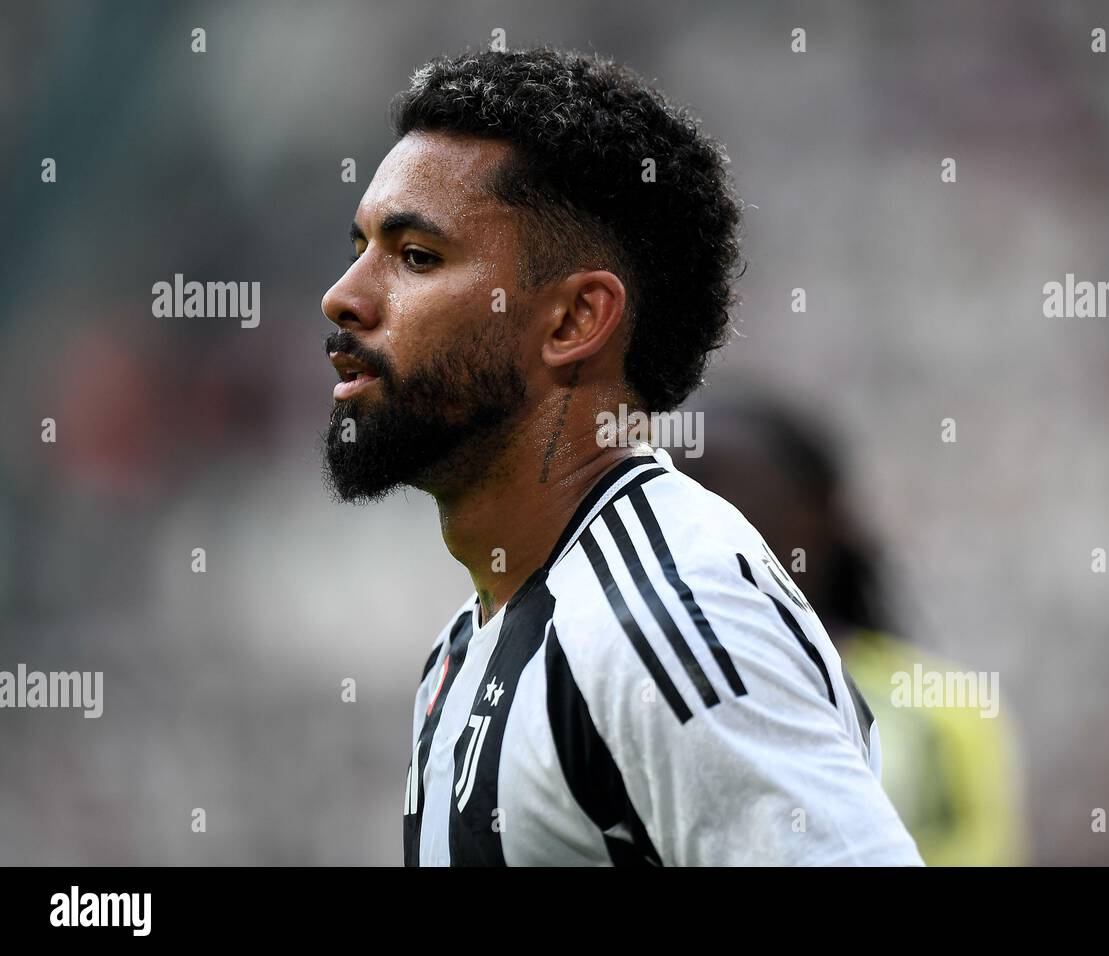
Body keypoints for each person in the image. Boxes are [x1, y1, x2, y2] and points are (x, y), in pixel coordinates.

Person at [320, 47, 920, 866]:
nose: (344, 296)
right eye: (358, 245)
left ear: (574, 322)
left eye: (416, 256)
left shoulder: (664, 615)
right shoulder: (468, 647)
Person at [674, 392, 1026, 866]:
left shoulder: (939, 709)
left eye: (728, 500)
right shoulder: (626, 687)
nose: (693, 532)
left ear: (815, 517)